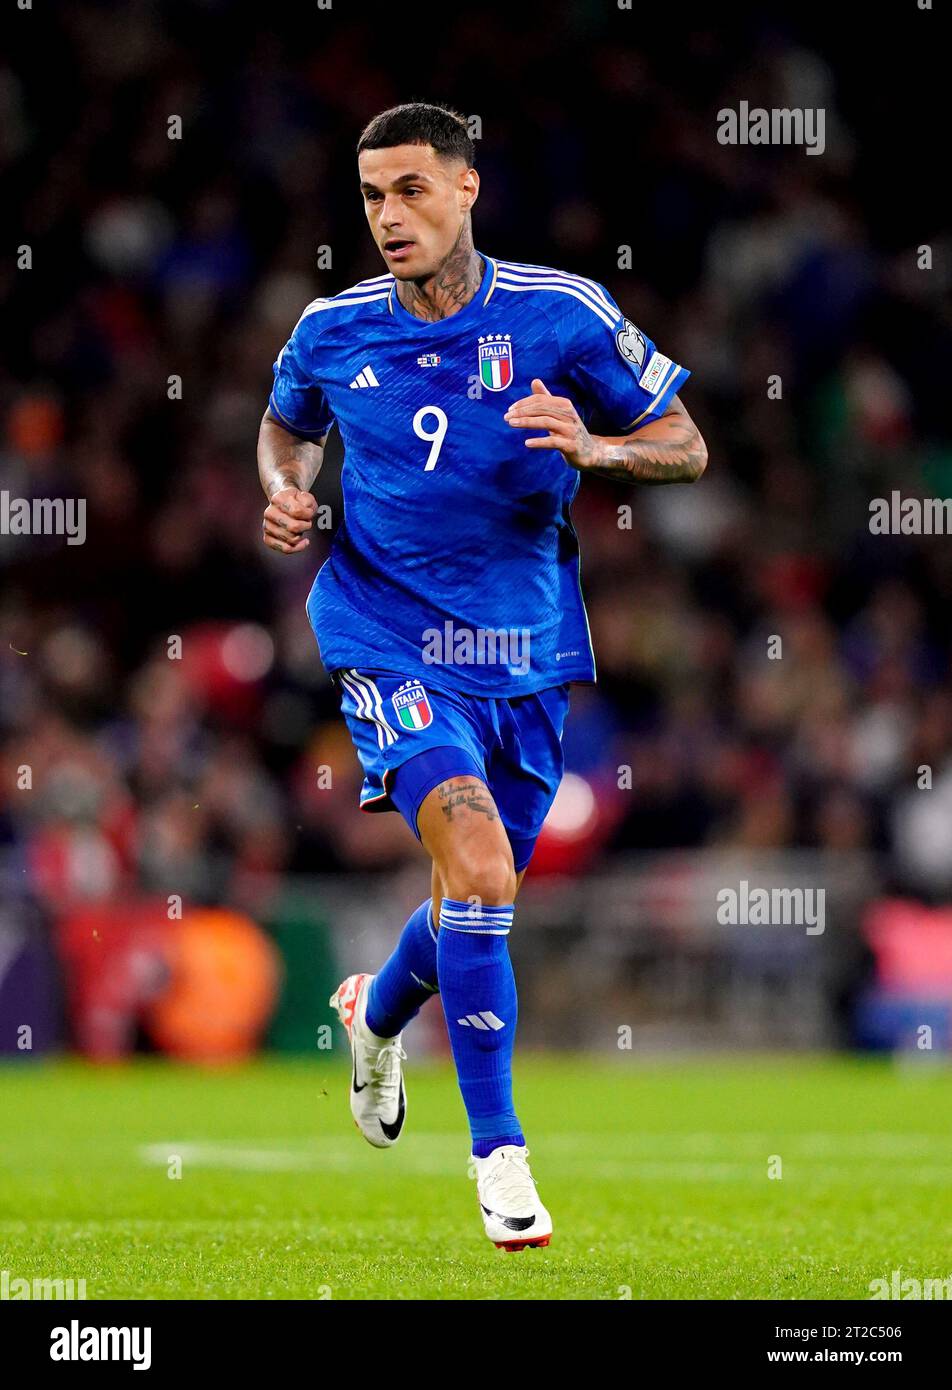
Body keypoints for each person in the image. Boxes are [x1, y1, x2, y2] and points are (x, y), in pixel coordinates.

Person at [257, 102, 707, 1249]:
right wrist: (288, 487)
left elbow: (687, 444)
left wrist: (598, 448)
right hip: (383, 632)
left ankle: (374, 1012)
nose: (388, 215)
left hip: (522, 650)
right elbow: (284, 425)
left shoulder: (561, 313)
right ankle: (499, 1156)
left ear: (466, 188)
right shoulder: (333, 328)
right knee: (474, 857)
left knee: (481, 889)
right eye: (372, 195)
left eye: (411, 188)